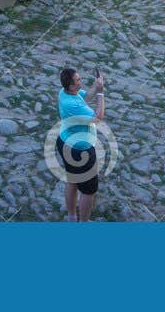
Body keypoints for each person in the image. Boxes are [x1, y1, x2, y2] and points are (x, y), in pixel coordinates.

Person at [56, 67, 106, 222]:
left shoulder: (64, 92)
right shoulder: (73, 105)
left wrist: (95, 87)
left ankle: (71, 217)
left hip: (65, 142)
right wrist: (100, 93)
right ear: (71, 86)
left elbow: (85, 98)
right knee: (88, 191)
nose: (81, 81)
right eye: (78, 80)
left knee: (72, 180)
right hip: (80, 151)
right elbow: (98, 117)